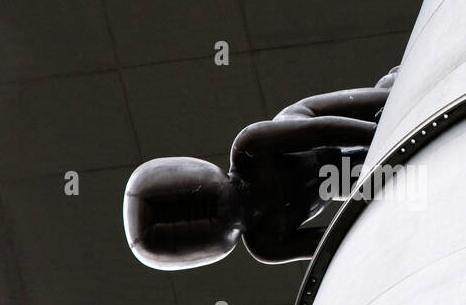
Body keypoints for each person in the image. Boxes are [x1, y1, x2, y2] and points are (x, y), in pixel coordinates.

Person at [124, 70, 397, 269]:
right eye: (187, 218)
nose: (193, 213)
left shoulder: (249, 150)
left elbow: (321, 130)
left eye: (187, 207)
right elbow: (334, 242)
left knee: (393, 98)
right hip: (334, 180)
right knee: (399, 183)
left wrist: (381, 133)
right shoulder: (266, 244)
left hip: (316, 119)